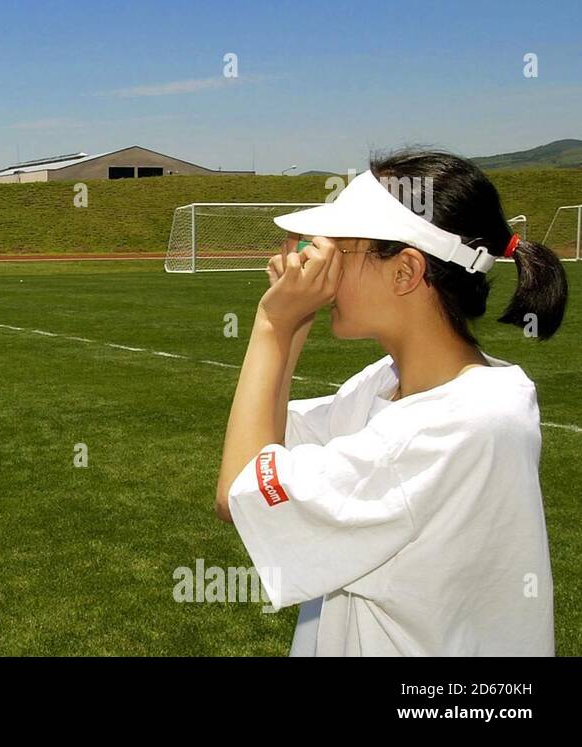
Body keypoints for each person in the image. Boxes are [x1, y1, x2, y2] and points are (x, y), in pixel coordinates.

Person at [215, 150, 568, 656]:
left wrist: (273, 326)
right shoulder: (397, 385)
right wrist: (293, 325)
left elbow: (236, 492)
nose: (320, 266)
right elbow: (264, 450)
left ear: (405, 272)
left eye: (342, 249)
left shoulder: (448, 427)